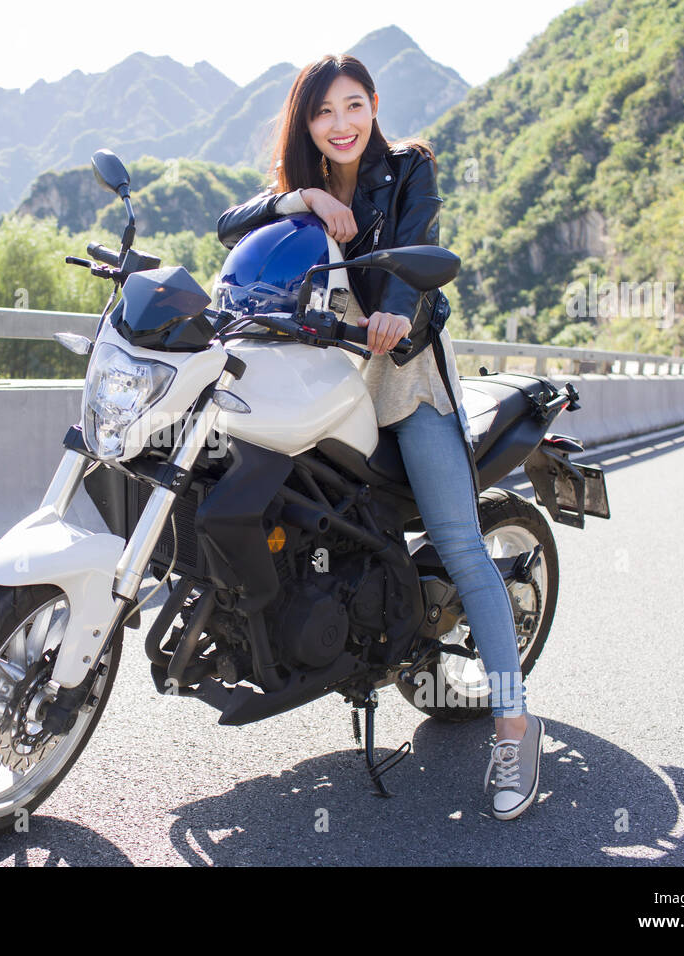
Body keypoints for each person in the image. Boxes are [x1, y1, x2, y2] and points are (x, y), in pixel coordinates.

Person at [216, 53, 543, 820]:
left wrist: (397, 315)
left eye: (354, 106)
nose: (342, 124)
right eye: (325, 112)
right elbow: (230, 226)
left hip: (398, 370)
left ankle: (515, 723)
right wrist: (295, 198)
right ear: (306, 123)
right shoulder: (299, 191)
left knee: (460, 543)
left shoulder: (408, 168)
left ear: (373, 107)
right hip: (314, 372)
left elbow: (417, 262)